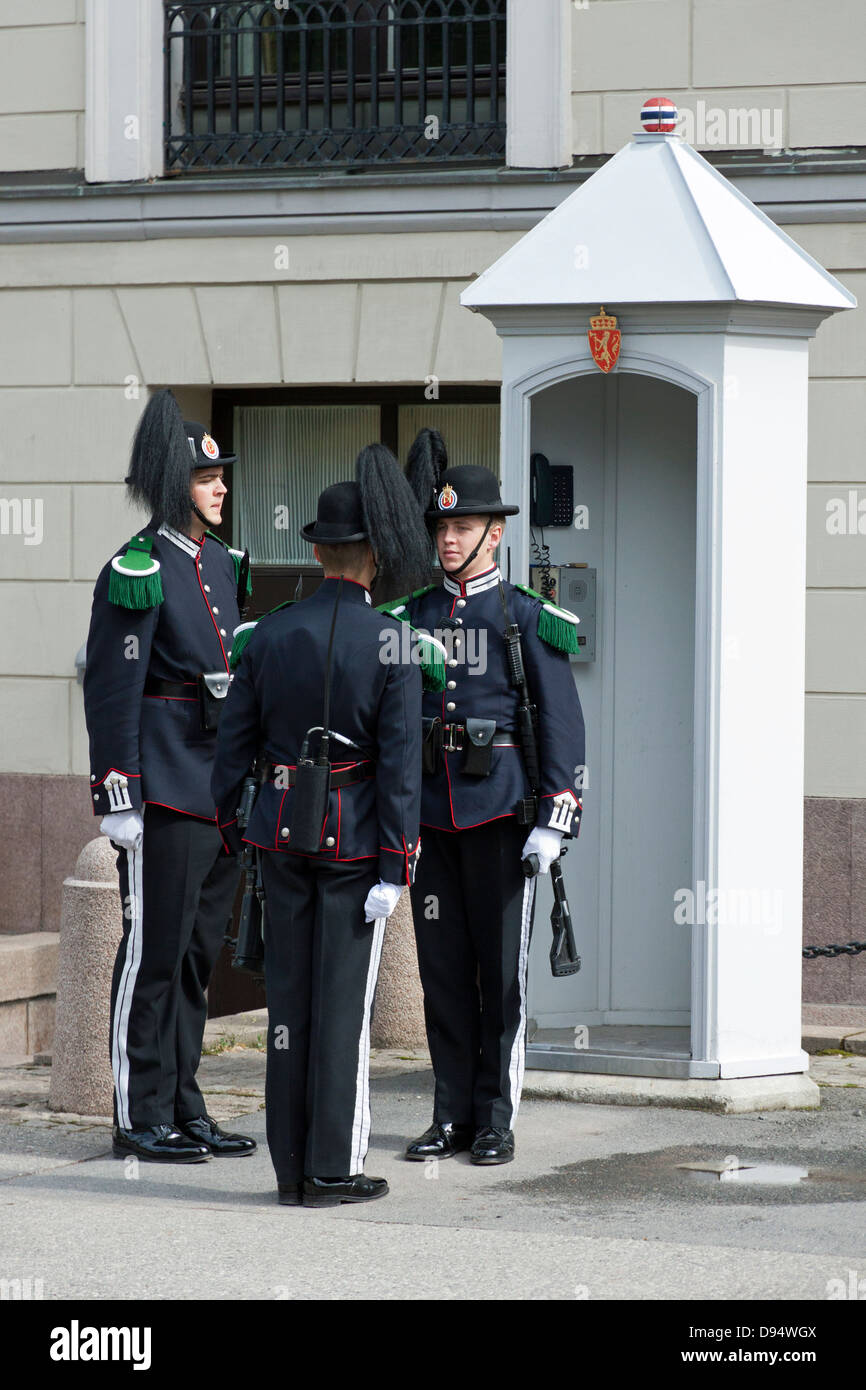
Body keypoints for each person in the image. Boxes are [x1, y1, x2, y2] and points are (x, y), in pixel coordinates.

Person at [212, 445, 435, 1207]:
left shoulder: (267, 635)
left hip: (280, 838)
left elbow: (231, 749)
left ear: (315, 549)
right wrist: (398, 864)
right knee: (340, 1014)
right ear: (374, 556)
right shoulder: (396, 641)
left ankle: (287, 1171)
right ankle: (330, 1170)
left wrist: (232, 829)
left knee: (288, 1012)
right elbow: (401, 765)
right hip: (356, 842)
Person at [383, 431, 586, 1166]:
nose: (447, 539)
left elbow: (561, 720)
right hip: (434, 820)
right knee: (442, 973)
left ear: (495, 534)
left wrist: (556, 818)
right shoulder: (411, 620)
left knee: (500, 979)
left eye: (462, 527)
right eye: (441, 528)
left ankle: (496, 1117)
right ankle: (450, 1114)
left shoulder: (526, 616)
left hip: (503, 817)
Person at [83, 389, 256, 1163]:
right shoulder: (137, 567)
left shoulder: (222, 563)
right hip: (160, 787)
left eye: (223, 476)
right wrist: (117, 792)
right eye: (206, 477)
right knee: (152, 954)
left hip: (215, 788)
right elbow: (111, 688)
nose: (221, 488)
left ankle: (184, 1102)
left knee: (194, 955)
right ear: (172, 481)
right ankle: (136, 1110)